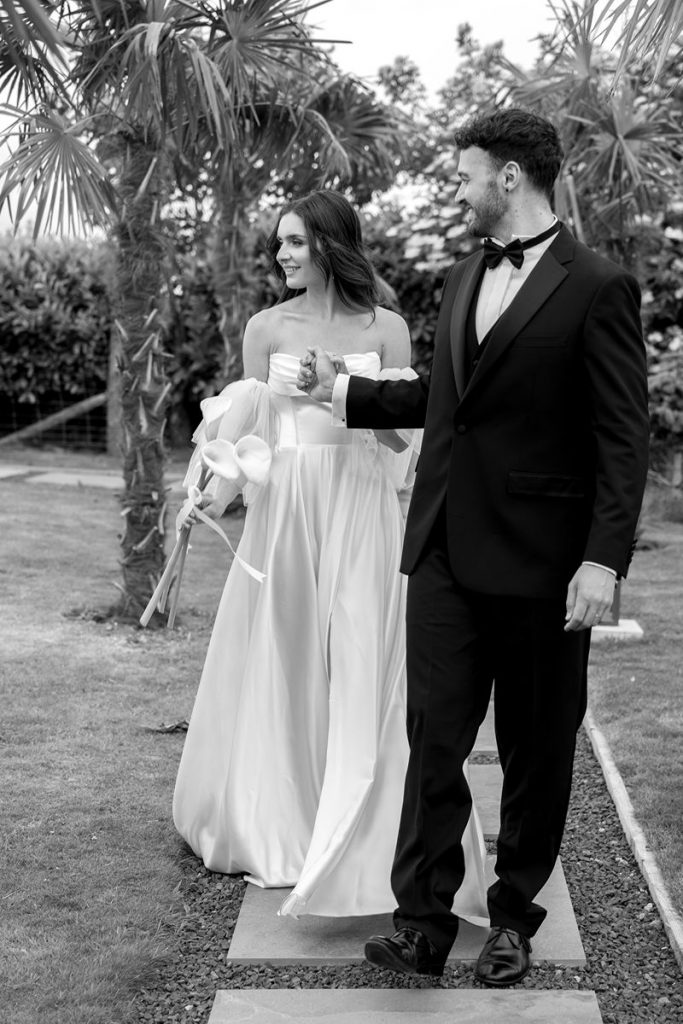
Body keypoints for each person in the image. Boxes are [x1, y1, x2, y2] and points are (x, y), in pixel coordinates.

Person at [298, 110, 650, 981]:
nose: (455, 189)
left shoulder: (597, 285)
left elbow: (622, 436)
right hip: (446, 550)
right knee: (434, 738)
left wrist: (602, 560)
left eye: (462, 175)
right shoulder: (462, 276)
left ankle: (512, 920)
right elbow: (442, 392)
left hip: (543, 561)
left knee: (536, 750)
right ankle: (421, 923)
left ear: (507, 177)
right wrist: (342, 392)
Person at [172, 190, 488, 923]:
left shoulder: (387, 327)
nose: (281, 255)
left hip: (360, 506)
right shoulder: (263, 328)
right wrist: (208, 498)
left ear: (330, 245)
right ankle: (283, 817)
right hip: (286, 510)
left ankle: (362, 831)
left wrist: (337, 391)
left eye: (294, 243)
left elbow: (403, 437)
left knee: (359, 659)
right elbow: (246, 436)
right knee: (286, 657)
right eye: (277, 243)